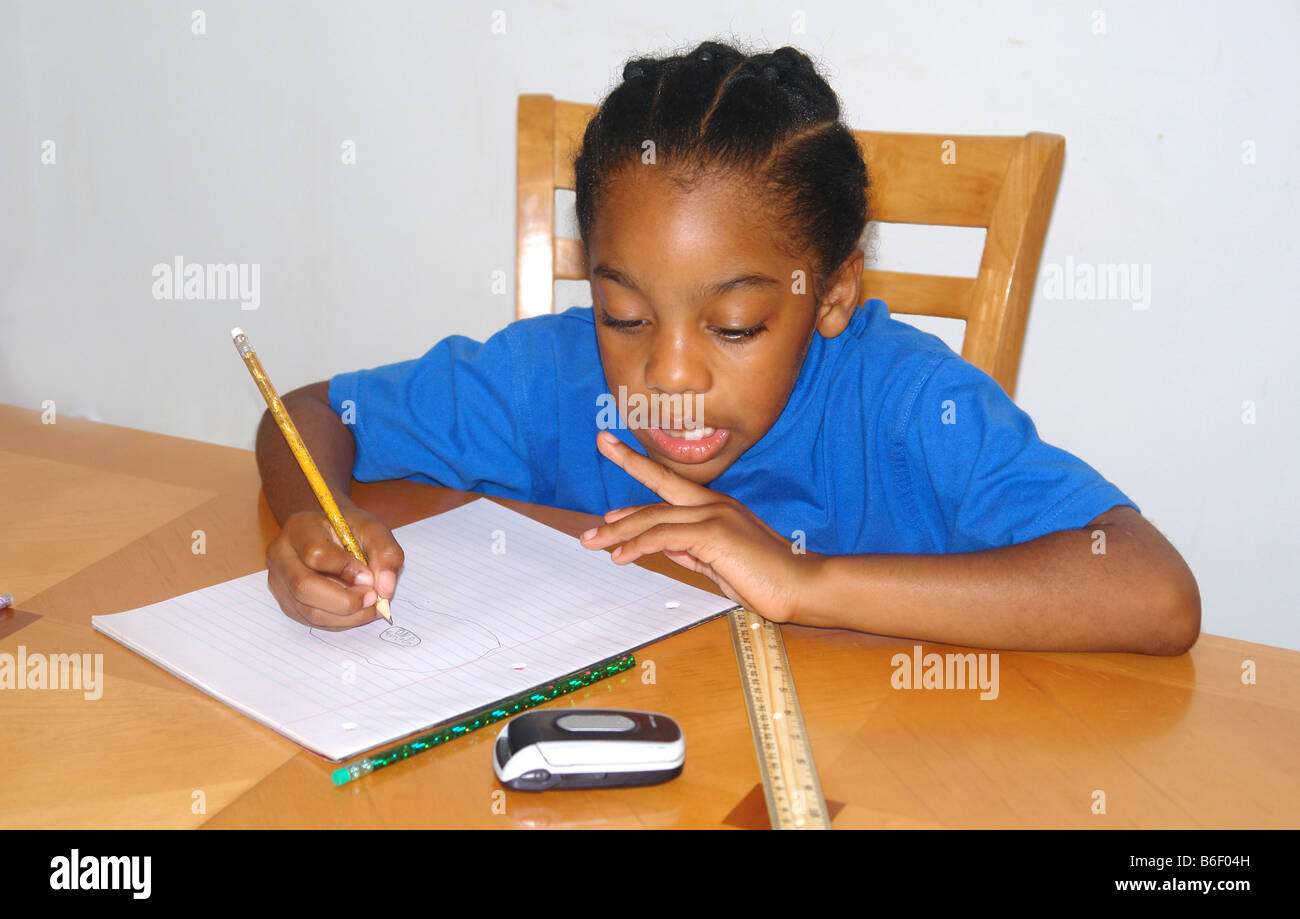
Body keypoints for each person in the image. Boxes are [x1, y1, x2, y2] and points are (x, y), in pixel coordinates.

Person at [256, 41, 1199, 654]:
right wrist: (316, 519)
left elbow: (1155, 592)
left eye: (738, 326)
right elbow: (301, 415)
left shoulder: (908, 406)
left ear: (830, 294)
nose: (666, 375)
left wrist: (804, 583)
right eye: (623, 315)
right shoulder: (548, 378)